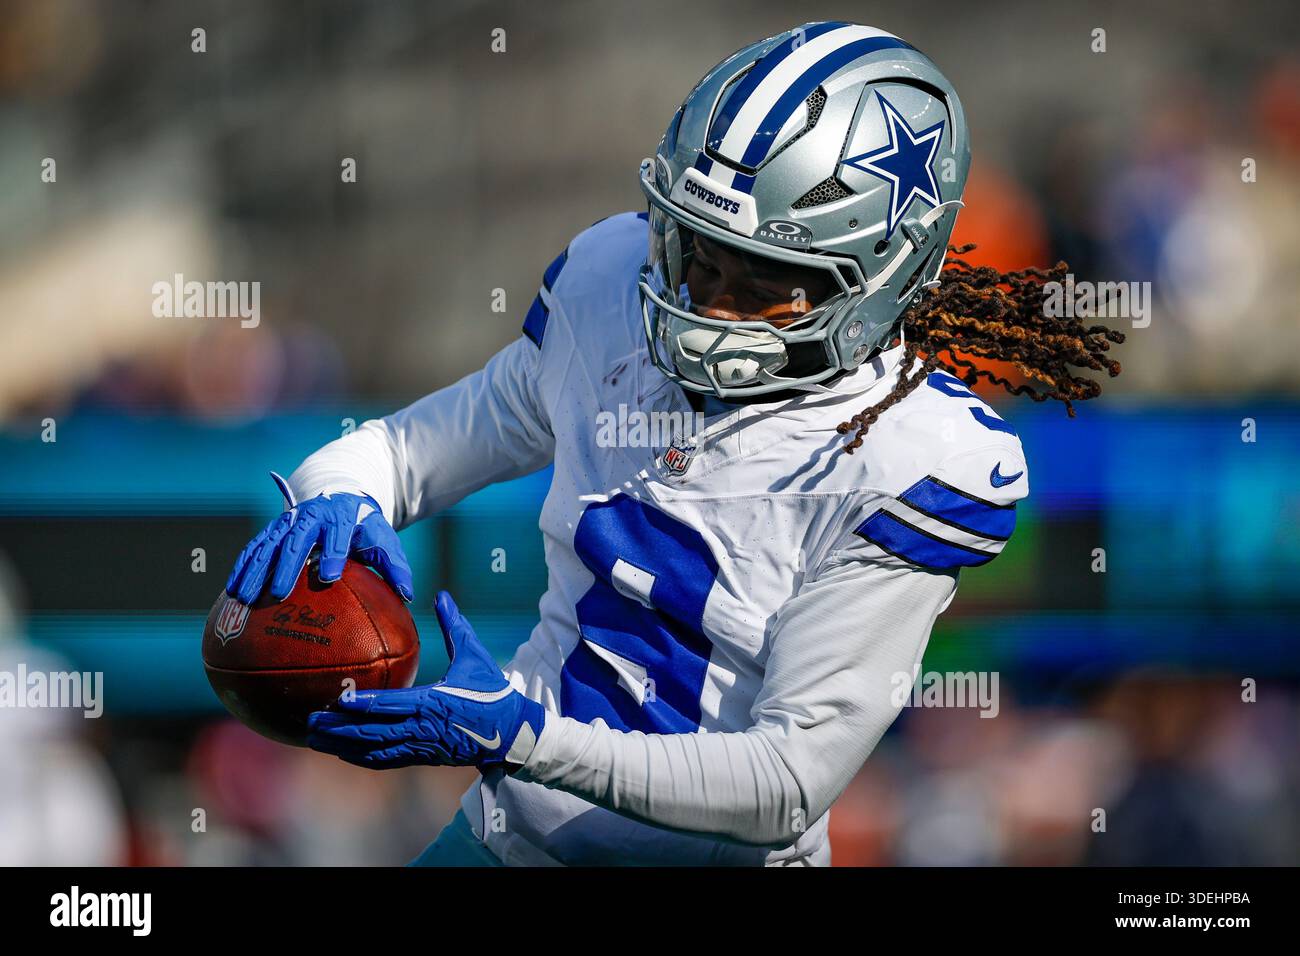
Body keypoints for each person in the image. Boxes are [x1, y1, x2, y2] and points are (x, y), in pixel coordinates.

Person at [225, 21, 1122, 866]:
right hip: (509, 846)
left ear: (886, 279)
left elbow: (786, 782)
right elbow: (408, 452)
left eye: (764, 280)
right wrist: (334, 493)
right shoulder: (613, 292)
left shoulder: (910, 454)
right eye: (700, 256)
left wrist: (528, 738)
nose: (710, 307)